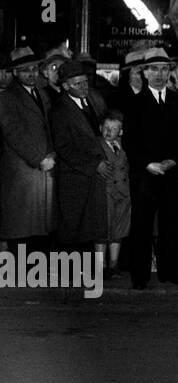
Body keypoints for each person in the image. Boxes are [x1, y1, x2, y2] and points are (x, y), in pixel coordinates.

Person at [124, 48, 178, 289]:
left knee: (171, 223)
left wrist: (174, 160)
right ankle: (140, 275)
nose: (159, 74)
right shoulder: (135, 102)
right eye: (154, 69)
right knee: (141, 224)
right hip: (145, 174)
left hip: (171, 172)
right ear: (145, 73)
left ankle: (170, 271)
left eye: (164, 69)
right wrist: (146, 163)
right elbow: (129, 141)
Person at [0, 47, 57, 250]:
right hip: (23, 170)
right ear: (15, 72)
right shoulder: (7, 97)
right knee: (21, 226)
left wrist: (52, 154)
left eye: (34, 68)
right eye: (25, 70)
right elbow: (13, 133)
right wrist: (38, 158)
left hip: (45, 168)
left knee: (41, 226)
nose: (32, 74)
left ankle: (34, 273)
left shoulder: (42, 94)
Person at [49, 59, 107, 250]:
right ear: (65, 86)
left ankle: (86, 274)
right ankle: (68, 274)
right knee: (72, 229)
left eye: (85, 82)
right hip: (74, 177)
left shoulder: (93, 100)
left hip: (93, 177)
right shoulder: (59, 110)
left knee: (89, 229)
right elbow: (63, 147)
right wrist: (93, 164)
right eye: (77, 84)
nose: (83, 87)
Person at [98, 110, 131, 276]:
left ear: (121, 131)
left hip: (124, 194)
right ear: (100, 127)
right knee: (102, 231)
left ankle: (113, 264)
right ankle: (100, 266)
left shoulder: (125, 146)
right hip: (106, 193)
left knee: (119, 231)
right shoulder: (97, 145)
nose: (109, 131)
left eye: (113, 128)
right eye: (106, 127)